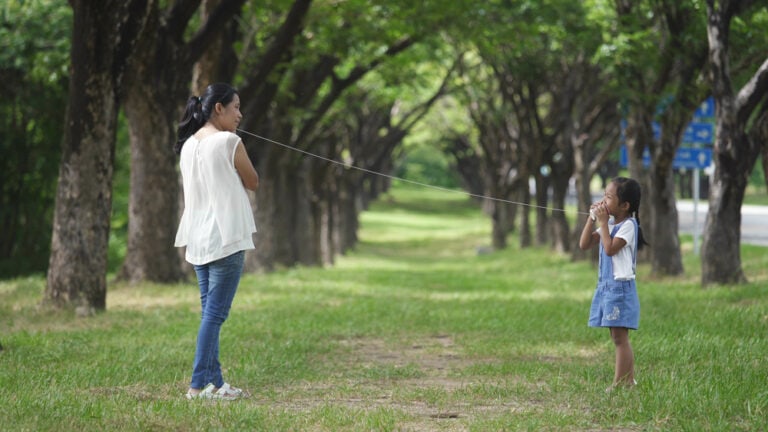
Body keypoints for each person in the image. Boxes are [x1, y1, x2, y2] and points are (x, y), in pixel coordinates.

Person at [174, 83, 259, 400]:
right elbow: (253, 182)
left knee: (209, 312)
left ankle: (217, 384)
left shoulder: (188, 145)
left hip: (197, 239)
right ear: (218, 108)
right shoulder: (228, 141)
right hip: (225, 238)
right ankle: (197, 386)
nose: (241, 113)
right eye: (236, 106)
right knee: (214, 315)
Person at [579, 177, 648, 392]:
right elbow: (584, 244)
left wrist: (602, 224)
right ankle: (627, 381)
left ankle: (622, 383)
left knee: (620, 337)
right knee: (615, 336)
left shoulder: (628, 226)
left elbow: (609, 249)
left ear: (624, 205)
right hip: (607, 287)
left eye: (608, 197)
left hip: (620, 289)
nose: (603, 200)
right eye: (604, 196)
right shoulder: (609, 224)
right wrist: (592, 220)